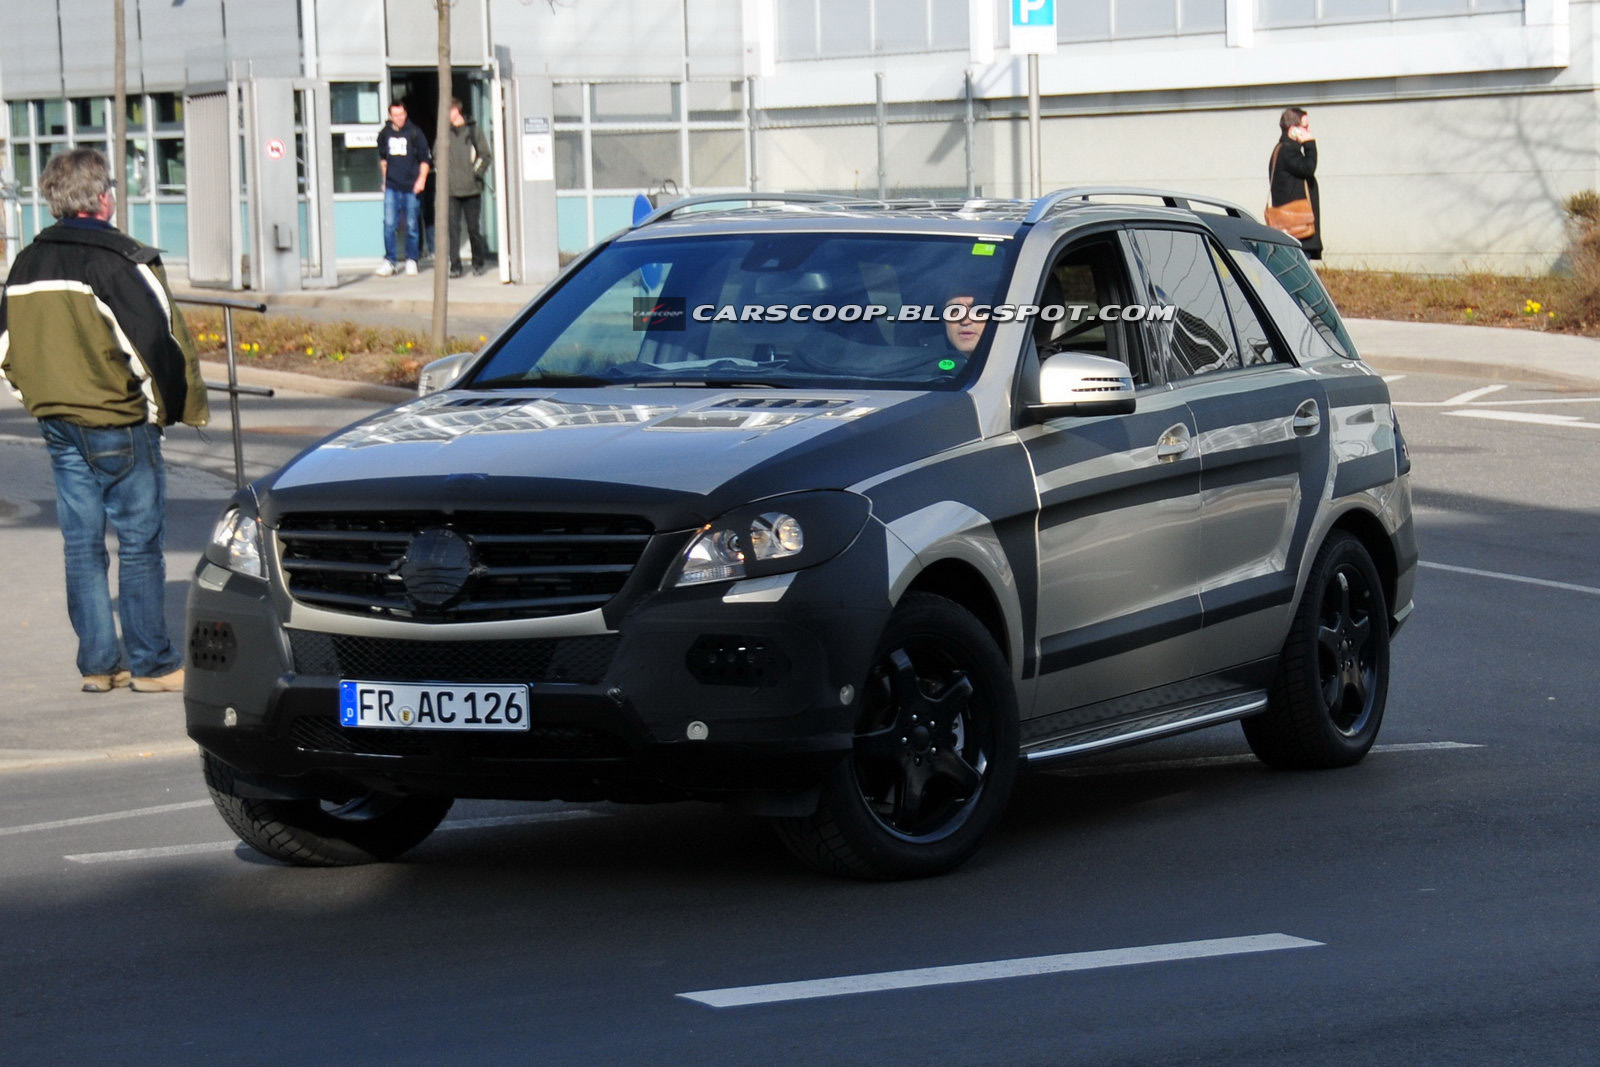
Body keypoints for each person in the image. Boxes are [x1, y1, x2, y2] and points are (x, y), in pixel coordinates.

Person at [0, 147, 207, 693]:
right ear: (103, 196)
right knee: (139, 543)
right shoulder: (117, 259)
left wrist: (37, 397)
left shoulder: (26, 263)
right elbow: (155, 345)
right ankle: (151, 664)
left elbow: (8, 348)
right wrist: (160, 412)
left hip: (58, 423)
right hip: (118, 421)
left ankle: (98, 663)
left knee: (82, 544)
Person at [376, 100, 432, 277]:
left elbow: (425, 159)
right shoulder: (385, 134)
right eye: (395, 115)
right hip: (392, 185)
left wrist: (421, 180)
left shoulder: (415, 132)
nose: (399, 118)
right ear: (390, 116)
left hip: (411, 186)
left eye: (402, 114)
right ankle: (390, 260)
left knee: (411, 224)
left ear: (405, 114)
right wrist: (385, 180)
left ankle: (412, 259)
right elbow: (383, 159)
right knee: (389, 224)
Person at [445, 97, 494, 278]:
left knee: (473, 228)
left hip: (472, 189)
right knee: (453, 229)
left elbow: (485, 155)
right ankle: (455, 266)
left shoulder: (474, 131)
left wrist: (477, 173)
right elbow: (436, 155)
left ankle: (478, 263)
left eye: (448, 110)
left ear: (456, 111)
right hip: (451, 190)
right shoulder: (444, 133)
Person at [1269, 106, 1321, 261]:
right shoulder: (1287, 151)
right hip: (1297, 229)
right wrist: (1309, 144)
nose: (1309, 131)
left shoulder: (1284, 150)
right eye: (1305, 127)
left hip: (1295, 228)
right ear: (1292, 129)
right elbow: (1308, 168)